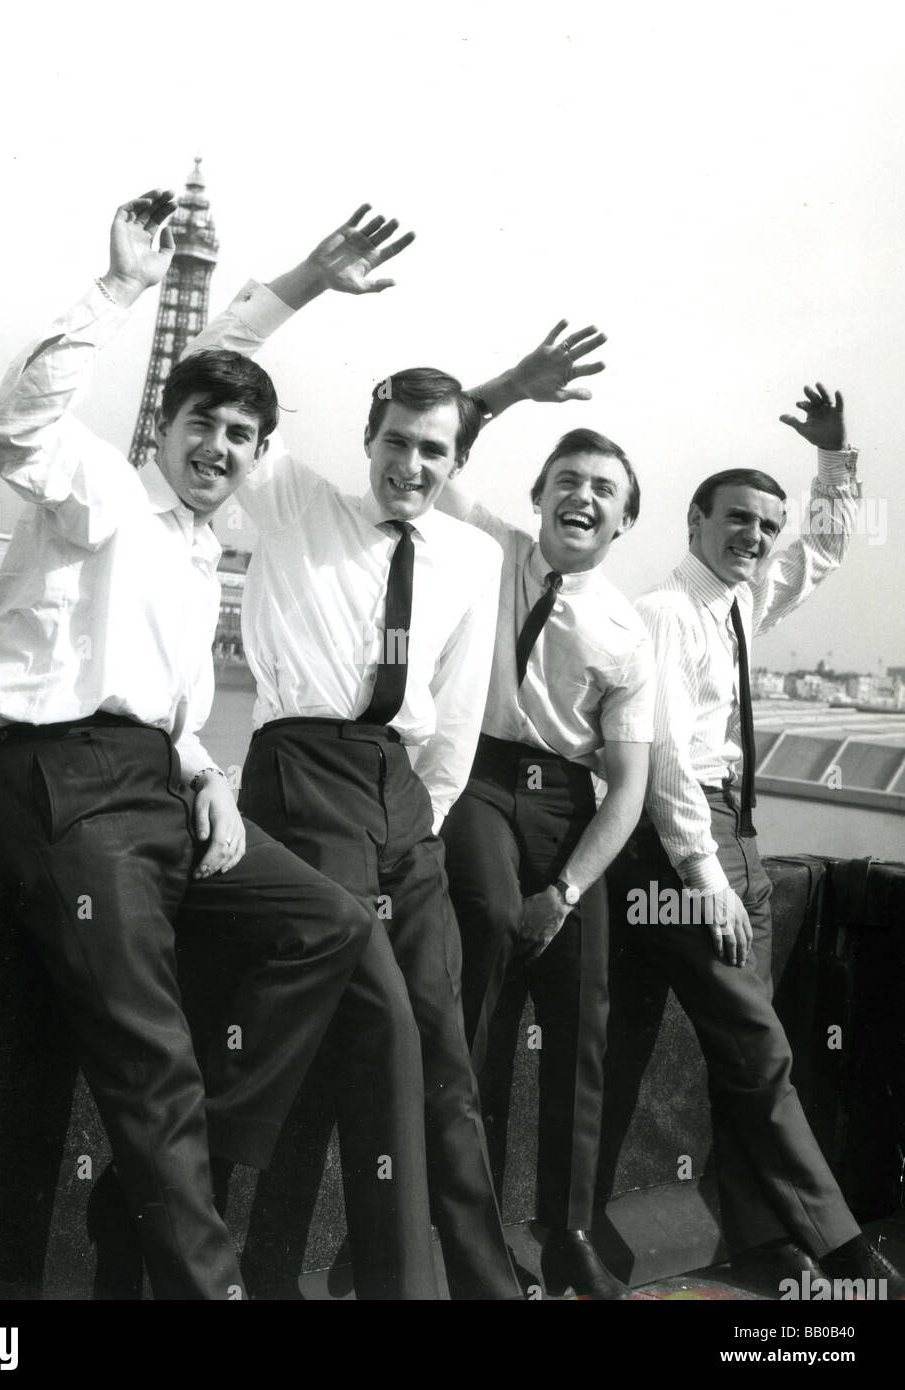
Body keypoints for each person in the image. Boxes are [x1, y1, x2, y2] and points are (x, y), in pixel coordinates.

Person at [0, 191, 370, 1300]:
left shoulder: (194, 560)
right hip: (52, 777)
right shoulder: (97, 492)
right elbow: (14, 426)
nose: (220, 448)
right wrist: (121, 287)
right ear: (162, 427)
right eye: (202, 425)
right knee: (149, 1053)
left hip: (147, 788)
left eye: (242, 436)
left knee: (322, 923)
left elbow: (169, 715)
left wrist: (212, 780)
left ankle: (149, 1186)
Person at [183, 206, 524, 1299]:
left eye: (434, 451)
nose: (410, 466)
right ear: (365, 441)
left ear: (456, 457)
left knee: (444, 1049)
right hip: (302, 771)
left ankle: (475, 1281)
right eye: (395, 444)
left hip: (402, 802)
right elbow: (211, 370)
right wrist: (303, 282)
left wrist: (419, 811)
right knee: (373, 1029)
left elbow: (458, 715)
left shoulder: (472, 560)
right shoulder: (293, 505)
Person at [607, 384, 905, 1297]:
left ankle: (764, 1236)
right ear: (695, 521)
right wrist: (709, 877)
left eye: (763, 526)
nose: (754, 537)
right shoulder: (665, 612)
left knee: (746, 1055)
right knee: (765, 1054)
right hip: (690, 846)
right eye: (736, 519)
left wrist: (835, 460)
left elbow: (819, 550)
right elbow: (663, 766)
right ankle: (852, 1254)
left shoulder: (737, 602)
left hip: (739, 839)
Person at [438, 331, 654, 1297]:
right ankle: (464, 1235)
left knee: (581, 1023)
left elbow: (631, 783)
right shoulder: (493, 548)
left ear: (622, 525)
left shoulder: (624, 630)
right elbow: (444, 444)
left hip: (567, 810)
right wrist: (508, 389)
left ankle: (567, 1237)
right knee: (482, 935)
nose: (583, 496)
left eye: (605, 490)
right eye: (568, 478)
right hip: (478, 779)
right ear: (538, 497)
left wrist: (566, 891)